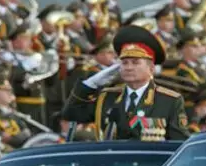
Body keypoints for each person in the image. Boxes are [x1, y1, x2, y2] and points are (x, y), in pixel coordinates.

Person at [60, 24, 190, 141]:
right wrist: (90, 84)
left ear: (151, 68)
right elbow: (71, 114)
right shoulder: (107, 97)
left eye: (135, 62)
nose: (128, 67)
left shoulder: (169, 100)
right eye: (124, 62)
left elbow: (179, 143)